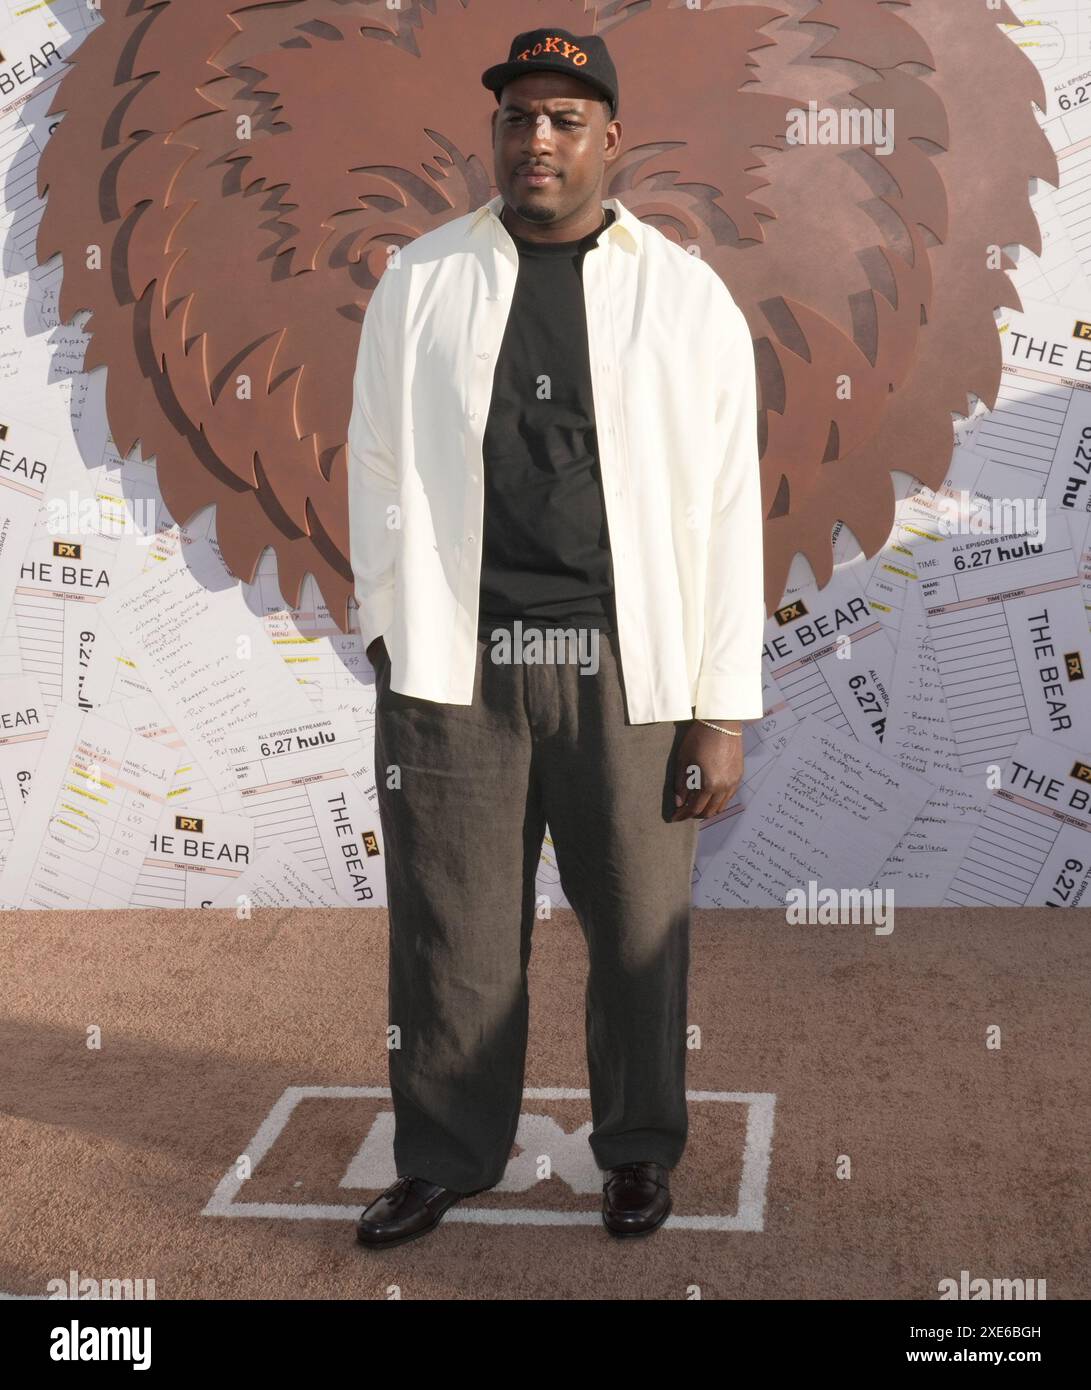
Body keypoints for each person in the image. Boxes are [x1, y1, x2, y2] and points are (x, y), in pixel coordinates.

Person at [347, 26, 765, 1249]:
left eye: (563, 119)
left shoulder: (683, 298)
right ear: (494, 134)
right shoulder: (420, 280)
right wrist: (392, 625)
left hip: (624, 666)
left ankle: (632, 1150)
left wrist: (718, 707)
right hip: (456, 664)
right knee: (451, 930)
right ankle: (446, 1152)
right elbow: (374, 460)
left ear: (609, 140)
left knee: (639, 927)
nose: (535, 138)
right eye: (517, 116)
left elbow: (728, 503)